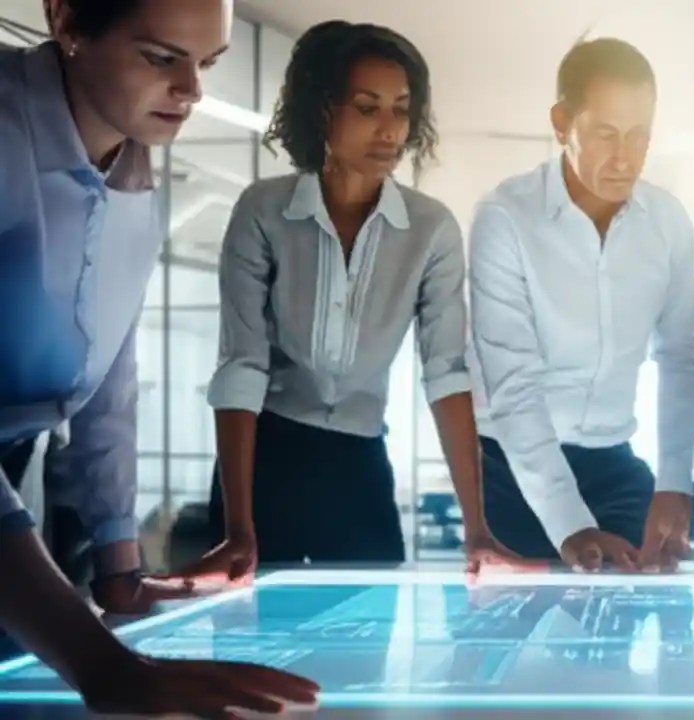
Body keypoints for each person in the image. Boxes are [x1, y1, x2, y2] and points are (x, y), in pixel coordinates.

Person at [0, 0, 318, 714]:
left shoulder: (135, 174)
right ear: (66, 20)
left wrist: (119, 568)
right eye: (160, 56)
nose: (193, 91)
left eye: (206, 63)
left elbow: (109, 379)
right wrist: (99, 662)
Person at [187, 20, 513, 581]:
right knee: (253, 647)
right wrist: (238, 526)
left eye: (401, 109)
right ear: (321, 111)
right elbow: (241, 366)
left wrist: (477, 527)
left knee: (367, 645)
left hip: (361, 462)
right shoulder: (263, 211)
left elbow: (447, 374)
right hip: (266, 458)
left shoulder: (431, 229)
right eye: (367, 108)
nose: (390, 130)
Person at [469, 38, 694, 572]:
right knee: (509, 642)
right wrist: (568, 523)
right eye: (605, 134)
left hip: (614, 465)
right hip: (510, 471)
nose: (626, 157)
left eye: (640, 135)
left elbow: (682, 357)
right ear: (561, 123)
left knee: (627, 625)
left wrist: (674, 482)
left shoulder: (668, 223)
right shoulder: (505, 218)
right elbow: (513, 385)